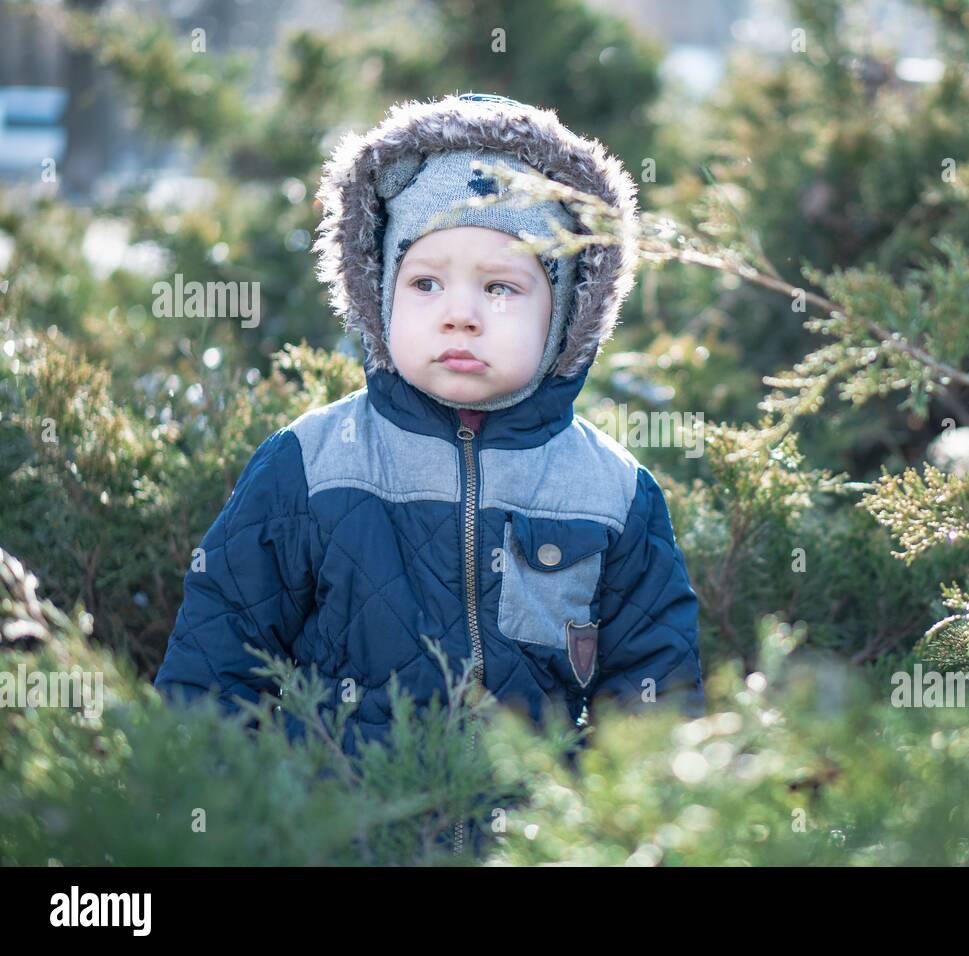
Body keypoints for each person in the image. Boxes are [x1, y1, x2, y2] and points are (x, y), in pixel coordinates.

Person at [153, 92, 705, 854]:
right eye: (426, 283)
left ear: (569, 311)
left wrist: (625, 833)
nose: (460, 314)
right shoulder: (311, 465)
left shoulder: (611, 494)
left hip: (529, 845)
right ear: (379, 293)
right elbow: (217, 664)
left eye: (502, 287)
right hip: (335, 838)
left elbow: (650, 693)